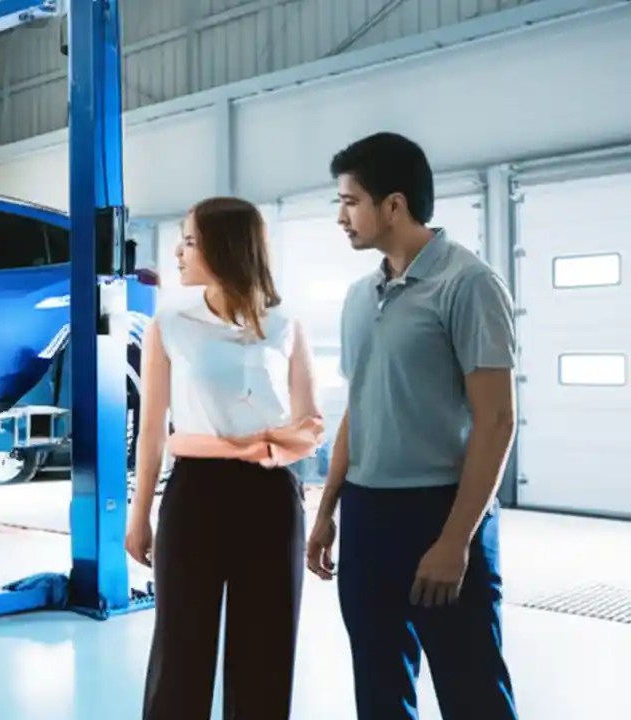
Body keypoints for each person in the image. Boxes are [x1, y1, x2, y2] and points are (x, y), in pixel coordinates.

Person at [306, 132, 519, 720]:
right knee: (378, 688)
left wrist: (456, 541)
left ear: (393, 204)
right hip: (368, 515)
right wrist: (327, 512)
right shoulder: (359, 295)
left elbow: (497, 419)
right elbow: (360, 405)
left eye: (350, 202)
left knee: (472, 687)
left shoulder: (468, 284)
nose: (342, 218)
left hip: (441, 511)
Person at [127, 197, 325, 719]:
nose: (178, 251)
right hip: (195, 492)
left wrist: (266, 445)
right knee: (180, 652)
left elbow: (309, 423)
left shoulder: (286, 325)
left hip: (271, 492)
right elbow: (152, 431)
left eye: (190, 241)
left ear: (226, 247)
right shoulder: (169, 324)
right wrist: (138, 514)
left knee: (266, 653)